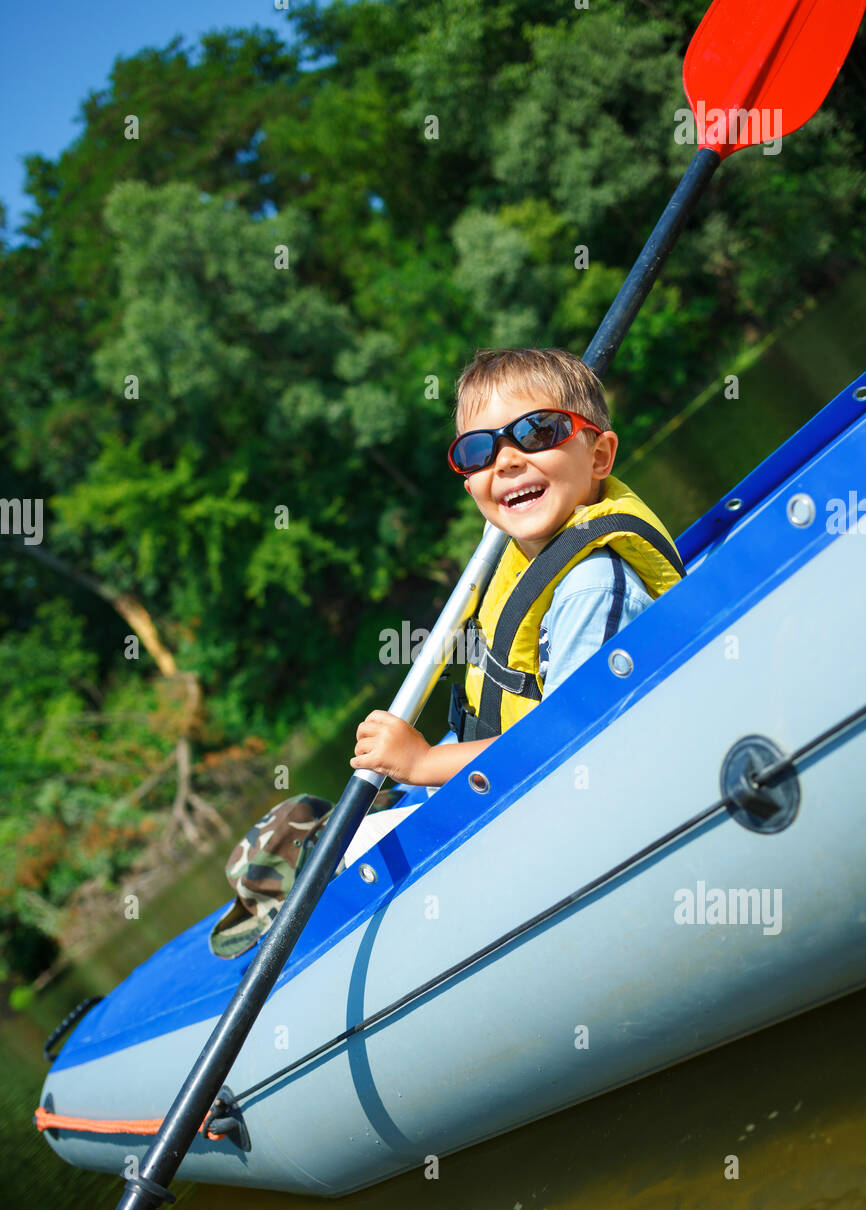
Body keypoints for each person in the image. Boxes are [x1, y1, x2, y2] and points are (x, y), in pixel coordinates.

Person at [210, 347, 684, 957]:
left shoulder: (591, 586)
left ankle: (299, 896)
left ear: (600, 455)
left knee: (332, 866)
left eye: (539, 432)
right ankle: (296, 860)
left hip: (537, 809)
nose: (508, 460)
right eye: (478, 451)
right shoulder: (525, 559)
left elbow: (572, 749)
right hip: (485, 788)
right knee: (307, 833)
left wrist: (423, 761)